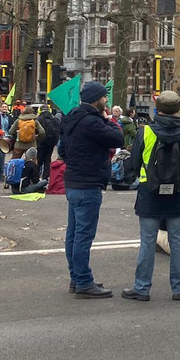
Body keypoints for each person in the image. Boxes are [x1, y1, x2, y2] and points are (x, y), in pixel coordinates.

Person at [121, 90, 180, 301]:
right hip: (179, 193)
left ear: (158, 110)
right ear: (178, 110)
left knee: (147, 242)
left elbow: (135, 163)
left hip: (150, 193)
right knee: (178, 242)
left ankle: (142, 288)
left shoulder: (145, 132)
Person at [59, 81, 124, 297]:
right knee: (83, 236)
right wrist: (110, 120)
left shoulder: (72, 119)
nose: (106, 101)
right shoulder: (93, 122)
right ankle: (84, 282)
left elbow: (62, 150)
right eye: (104, 98)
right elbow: (118, 137)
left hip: (73, 181)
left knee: (73, 233)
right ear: (97, 100)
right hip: (89, 183)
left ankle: (76, 277)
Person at [36, 103, 62, 179]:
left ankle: (36, 176)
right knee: (47, 159)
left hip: (41, 142)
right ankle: (46, 176)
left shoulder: (39, 119)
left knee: (39, 159)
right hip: (51, 143)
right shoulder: (53, 118)